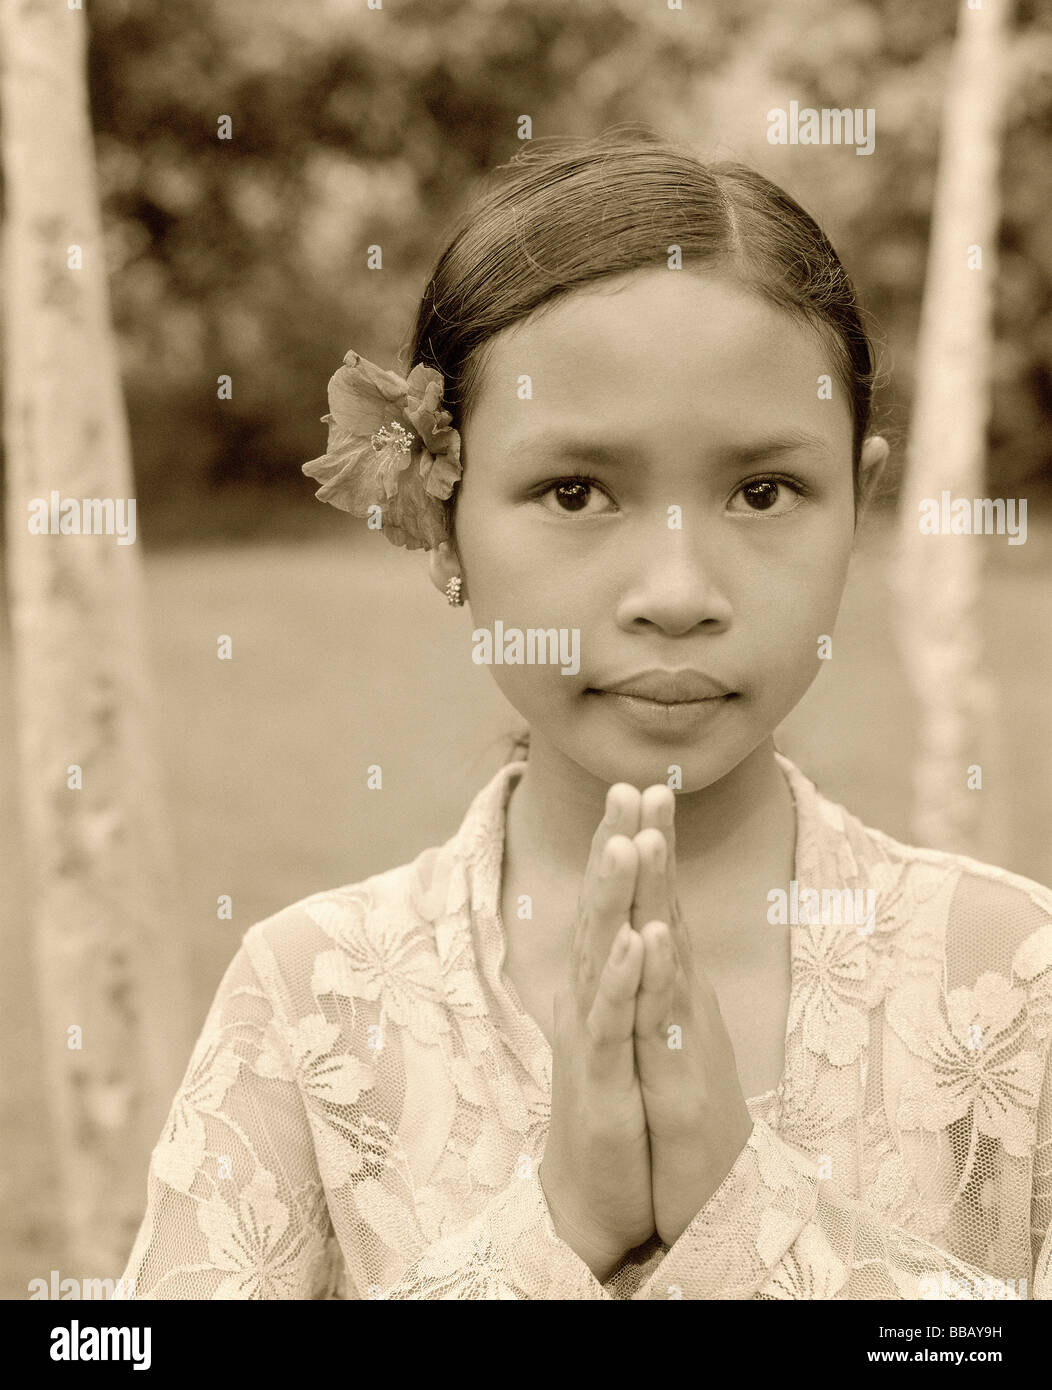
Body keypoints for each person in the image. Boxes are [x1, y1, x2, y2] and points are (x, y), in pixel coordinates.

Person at [119, 133, 1052, 1299]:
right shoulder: (311, 1001)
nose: (674, 593)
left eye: (762, 492)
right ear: (440, 515)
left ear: (853, 511)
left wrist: (747, 1212)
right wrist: (553, 1231)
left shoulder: (1015, 979)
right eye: (575, 492)